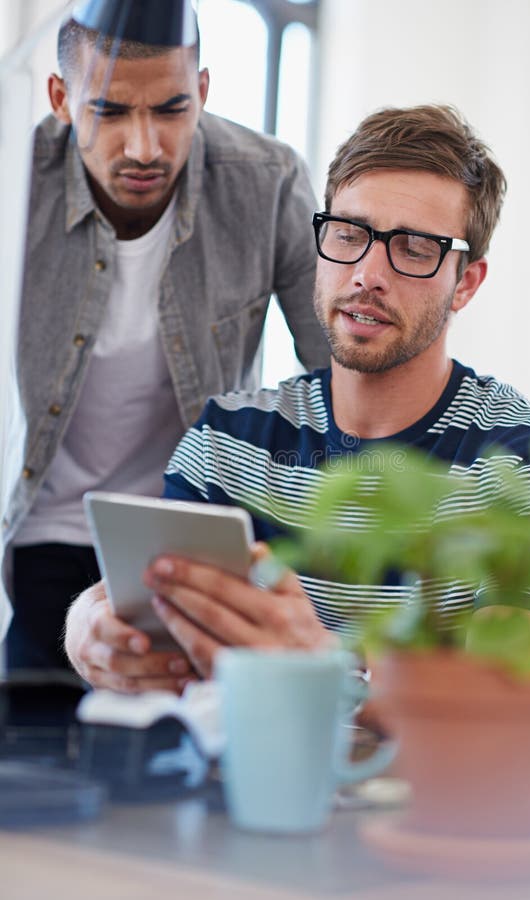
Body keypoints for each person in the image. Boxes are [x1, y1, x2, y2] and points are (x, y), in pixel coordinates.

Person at [64, 104, 530, 693]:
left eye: (414, 248)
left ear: (465, 283)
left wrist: (325, 665)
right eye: (348, 234)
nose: (368, 274)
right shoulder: (227, 439)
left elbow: (497, 700)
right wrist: (90, 623)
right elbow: (162, 636)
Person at [1, 17, 329, 671]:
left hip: (194, 537)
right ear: (61, 99)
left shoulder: (267, 182)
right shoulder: (15, 182)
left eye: (172, 109)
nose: (145, 147)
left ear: (202, 90)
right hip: (37, 535)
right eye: (110, 111)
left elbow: (337, 373)